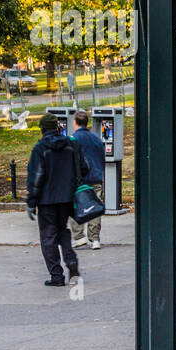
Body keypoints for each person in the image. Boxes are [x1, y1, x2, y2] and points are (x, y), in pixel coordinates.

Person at [26, 112, 93, 286]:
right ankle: (72, 263)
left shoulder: (40, 149)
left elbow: (36, 177)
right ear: (58, 127)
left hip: (47, 201)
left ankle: (57, 275)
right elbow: (84, 167)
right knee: (63, 231)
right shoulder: (71, 144)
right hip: (67, 198)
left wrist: (31, 203)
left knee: (48, 237)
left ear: (42, 129)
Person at [67, 110, 105, 249]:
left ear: (75, 122)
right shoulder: (96, 138)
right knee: (94, 208)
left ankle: (79, 236)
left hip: (79, 180)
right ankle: (94, 239)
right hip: (96, 178)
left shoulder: (73, 139)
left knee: (76, 207)